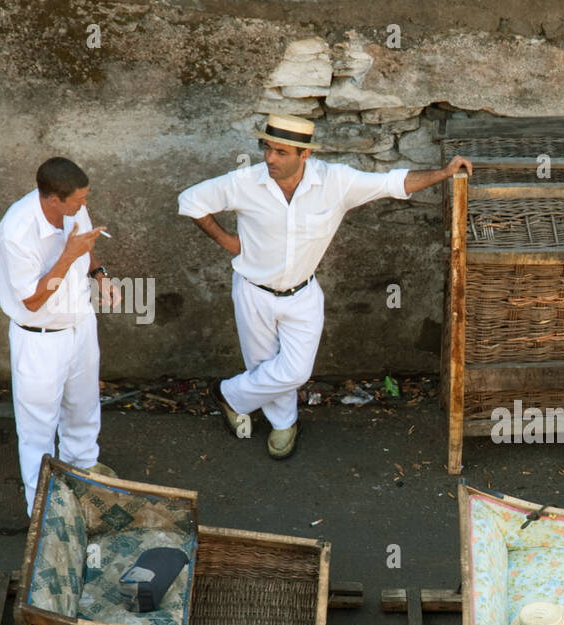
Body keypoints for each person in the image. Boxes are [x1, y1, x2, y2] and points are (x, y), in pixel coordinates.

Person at [178, 113, 472, 459]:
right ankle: (284, 423)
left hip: (303, 295)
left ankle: (229, 395)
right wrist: (227, 240)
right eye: (267, 149)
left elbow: (393, 183)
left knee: (295, 371)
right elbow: (191, 200)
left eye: (281, 152)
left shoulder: (337, 182)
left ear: (305, 155)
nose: (270, 158)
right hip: (252, 292)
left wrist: (443, 173)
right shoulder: (244, 182)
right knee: (263, 367)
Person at [0, 157, 119, 515]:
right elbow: (33, 300)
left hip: (80, 324)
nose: (85, 206)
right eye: (79, 200)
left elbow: (86, 244)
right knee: (38, 427)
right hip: (39, 337)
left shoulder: (73, 209)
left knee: (83, 406)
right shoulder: (16, 230)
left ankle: (83, 468)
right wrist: (68, 256)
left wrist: (100, 275)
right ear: (53, 200)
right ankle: (43, 506)